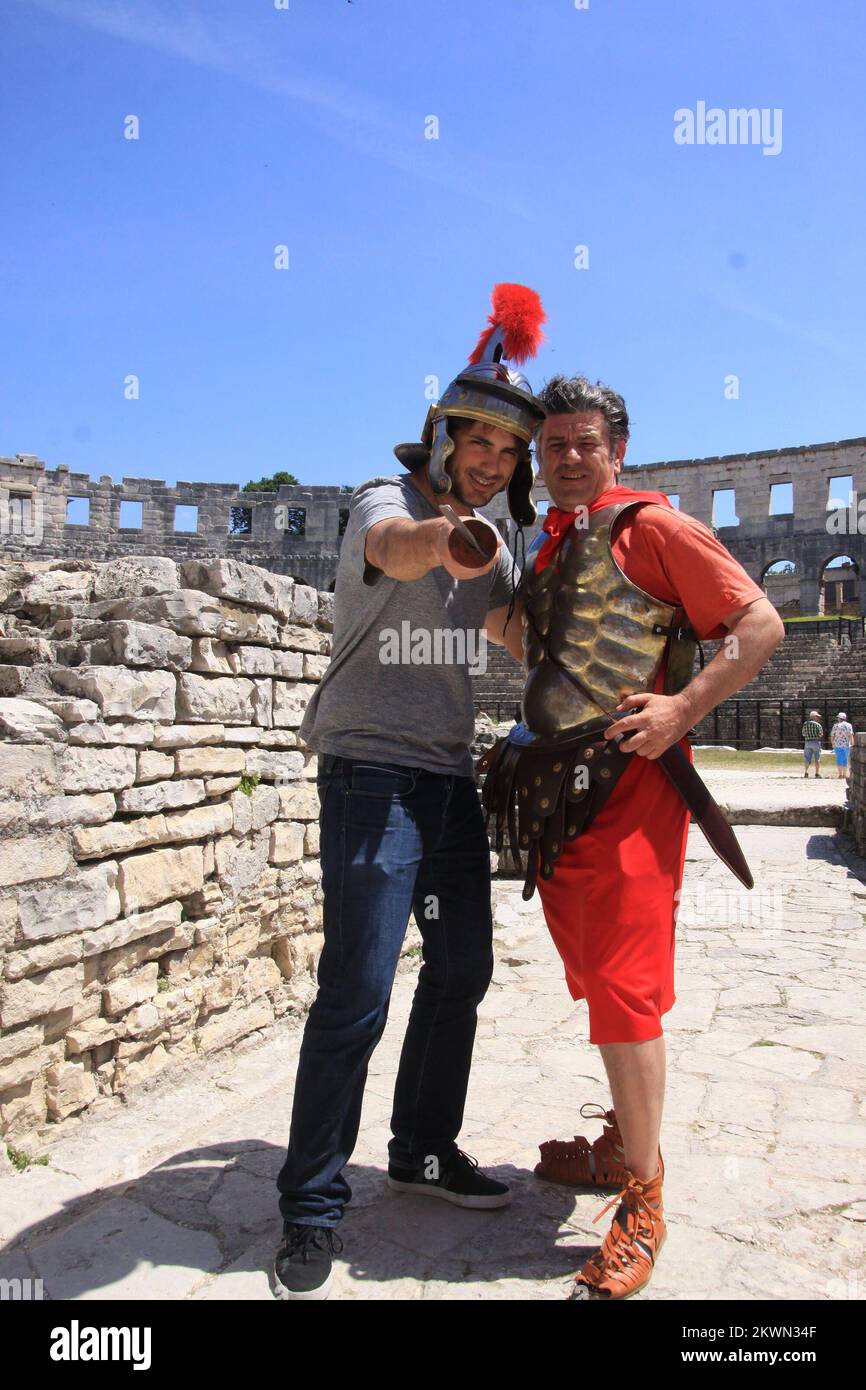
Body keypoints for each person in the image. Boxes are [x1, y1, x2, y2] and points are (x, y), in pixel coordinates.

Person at [479, 374, 784, 1300]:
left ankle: (644, 1197)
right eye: (552, 446)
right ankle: (624, 1138)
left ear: (617, 449)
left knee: (623, 986)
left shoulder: (656, 528)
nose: (566, 458)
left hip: (633, 784)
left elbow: (758, 624)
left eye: (583, 443)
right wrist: (468, 580)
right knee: (595, 976)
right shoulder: (553, 544)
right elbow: (547, 651)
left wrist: (684, 706)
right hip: (556, 788)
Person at [272, 285, 546, 1300]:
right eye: (477, 443)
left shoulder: (502, 541)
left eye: (507, 452)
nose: (491, 462)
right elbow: (395, 551)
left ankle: (423, 1146)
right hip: (368, 771)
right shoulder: (382, 505)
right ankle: (309, 1204)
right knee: (357, 991)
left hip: (442, 777)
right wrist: (448, 539)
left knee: (461, 969)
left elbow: (522, 636)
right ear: (441, 438)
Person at [830, 710, 854, 780]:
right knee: (845, 759)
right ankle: (844, 774)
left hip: (837, 744)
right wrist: (852, 743)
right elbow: (851, 735)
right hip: (846, 744)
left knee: (839, 759)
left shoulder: (835, 725)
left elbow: (832, 735)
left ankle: (840, 774)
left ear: (839, 718)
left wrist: (832, 743)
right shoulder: (849, 725)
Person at [802, 709, 824, 778]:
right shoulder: (818, 725)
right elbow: (821, 734)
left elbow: (803, 734)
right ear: (814, 717)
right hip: (816, 742)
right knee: (817, 759)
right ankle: (817, 773)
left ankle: (806, 772)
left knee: (807, 758)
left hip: (808, 742)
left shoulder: (805, 724)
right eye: (817, 716)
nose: (818, 718)